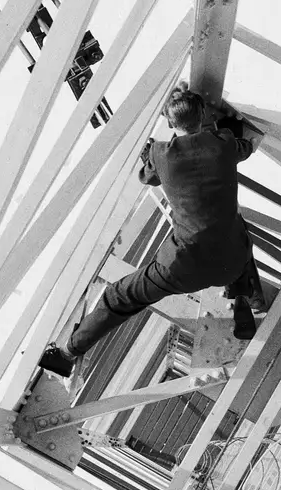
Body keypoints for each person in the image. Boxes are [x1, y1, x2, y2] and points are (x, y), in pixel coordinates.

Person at [38, 84, 263, 379]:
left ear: (169, 123)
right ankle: (248, 300)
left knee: (119, 297)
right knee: (232, 228)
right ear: (204, 113)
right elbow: (242, 146)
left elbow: (148, 176)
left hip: (183, 268)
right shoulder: (223, 143)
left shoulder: (161, 154)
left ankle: (68, 353)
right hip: (232, 262)